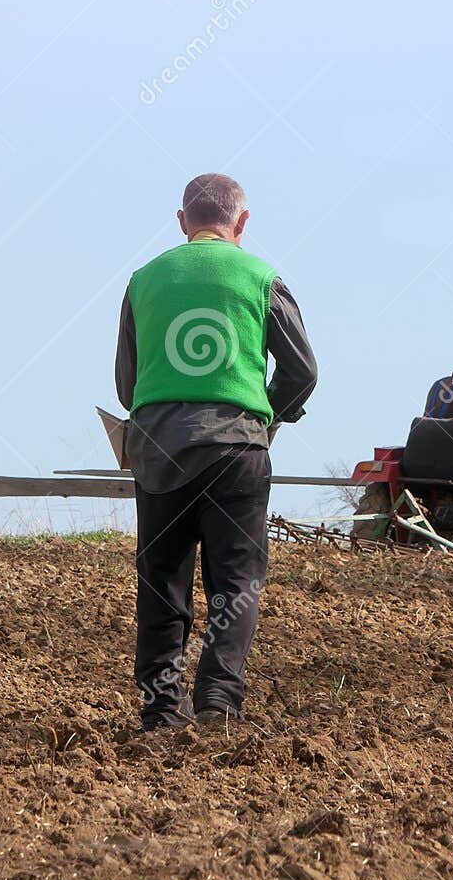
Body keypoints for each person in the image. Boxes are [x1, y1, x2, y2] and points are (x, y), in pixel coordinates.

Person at [115, 173, 317, 731]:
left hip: (158, 451)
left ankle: (161, 708)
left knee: (161, 578)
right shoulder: (262, 278)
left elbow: (127, 384)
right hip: (236, 450)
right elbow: (302, 372)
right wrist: (269, 416)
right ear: (242, 222)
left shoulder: (142, 281)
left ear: (183, 221)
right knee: (235, 581)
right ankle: (219, 702)